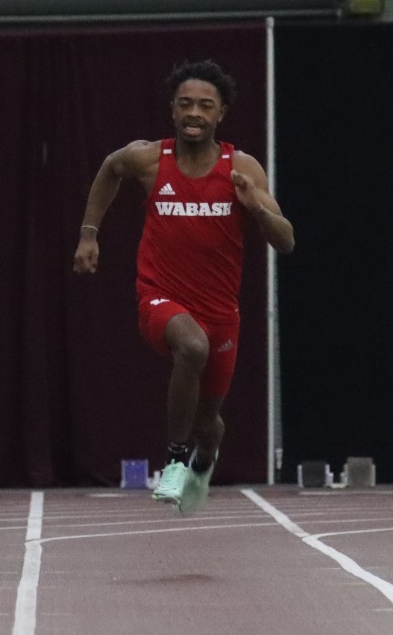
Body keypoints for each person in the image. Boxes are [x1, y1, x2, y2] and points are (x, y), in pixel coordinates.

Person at [74, 61, 294, 515]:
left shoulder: (242, 168)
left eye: (205, 106)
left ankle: (202, 459)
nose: (194, 113)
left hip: (220, 313)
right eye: (186, 104)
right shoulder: (150, 158)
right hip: (160, 297)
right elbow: (109, 168)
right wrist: (89, 233)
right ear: (173, 110)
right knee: (190, 346)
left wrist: (255, 207)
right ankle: (174, 459)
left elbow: (286, 241)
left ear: (221, 114)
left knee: (208, 422)